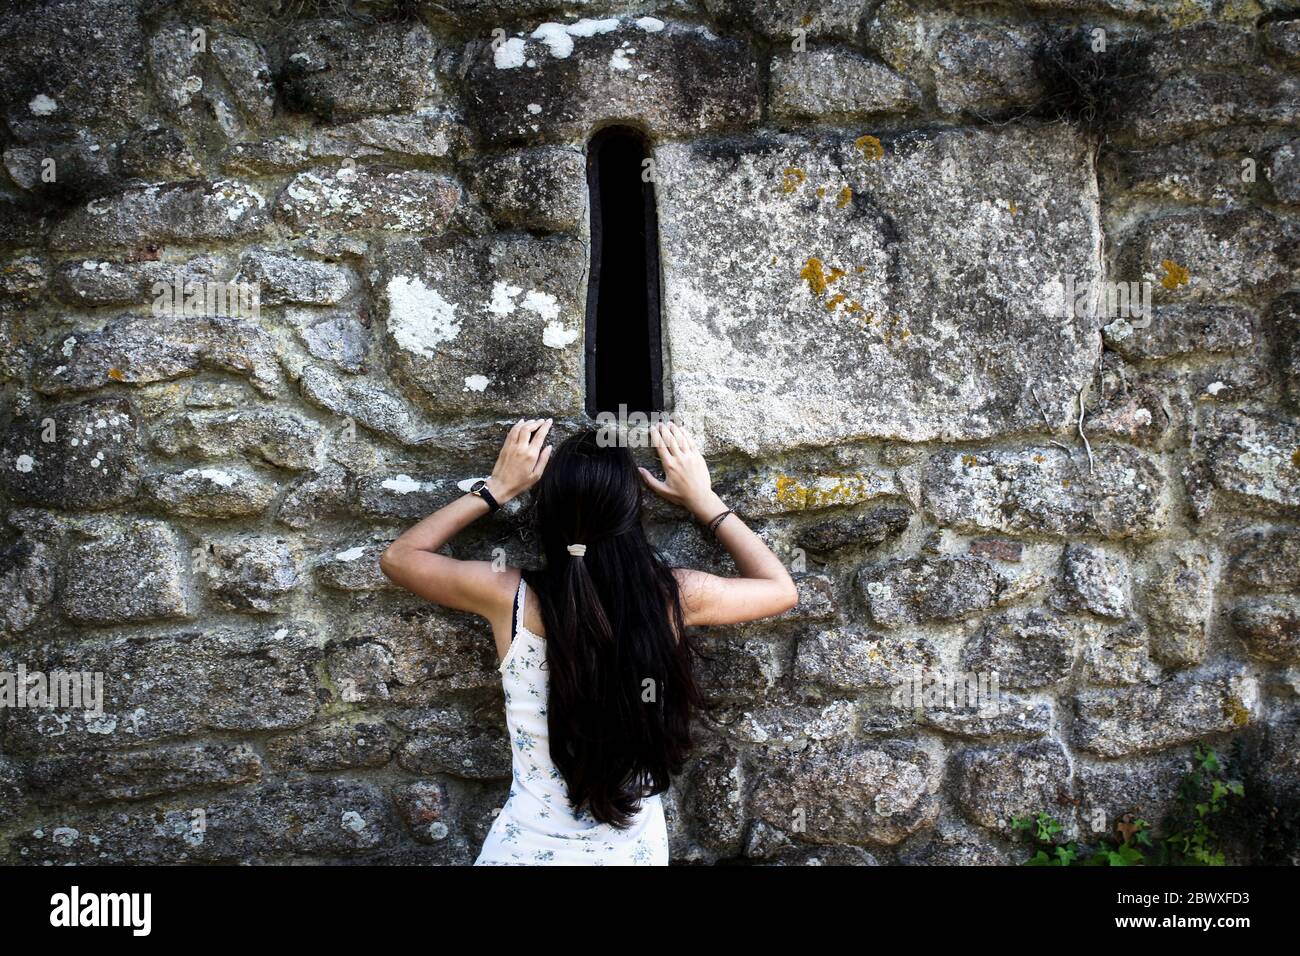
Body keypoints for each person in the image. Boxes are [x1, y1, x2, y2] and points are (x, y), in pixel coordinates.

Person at [380, 418, 798, 865]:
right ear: (633, 514)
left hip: (522, 851)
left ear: (544, 512)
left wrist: (496, 489)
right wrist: (704, 501)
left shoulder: (509, 596)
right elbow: (781, 590)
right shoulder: (676, 597)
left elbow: (399, 559)